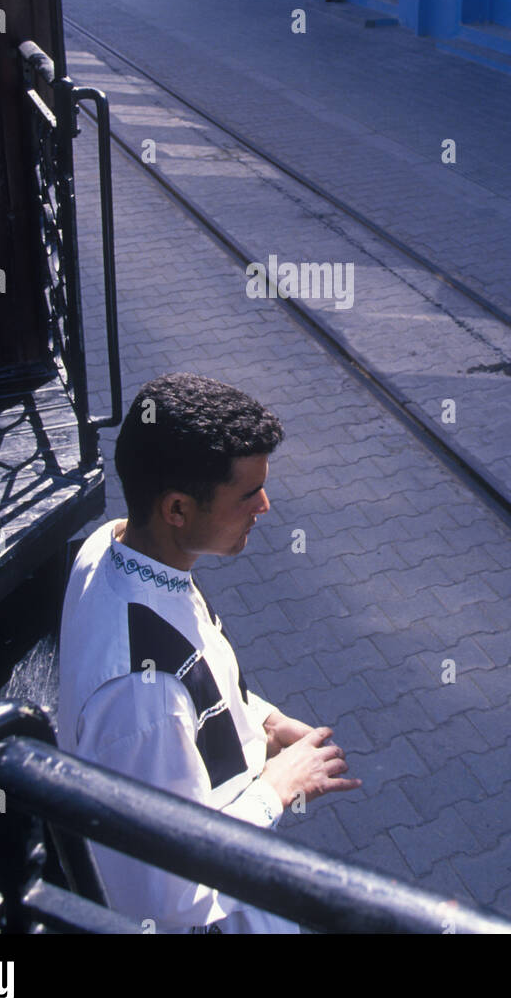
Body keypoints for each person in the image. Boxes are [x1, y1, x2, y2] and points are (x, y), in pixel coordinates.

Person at [58, 372, 362, 934]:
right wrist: (276, 791)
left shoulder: (115, 545)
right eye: (248, 493)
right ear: (177, 509)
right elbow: (170, 902)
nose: (266, 506)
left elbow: (196, 665)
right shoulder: (143, 700)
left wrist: (262, 722)